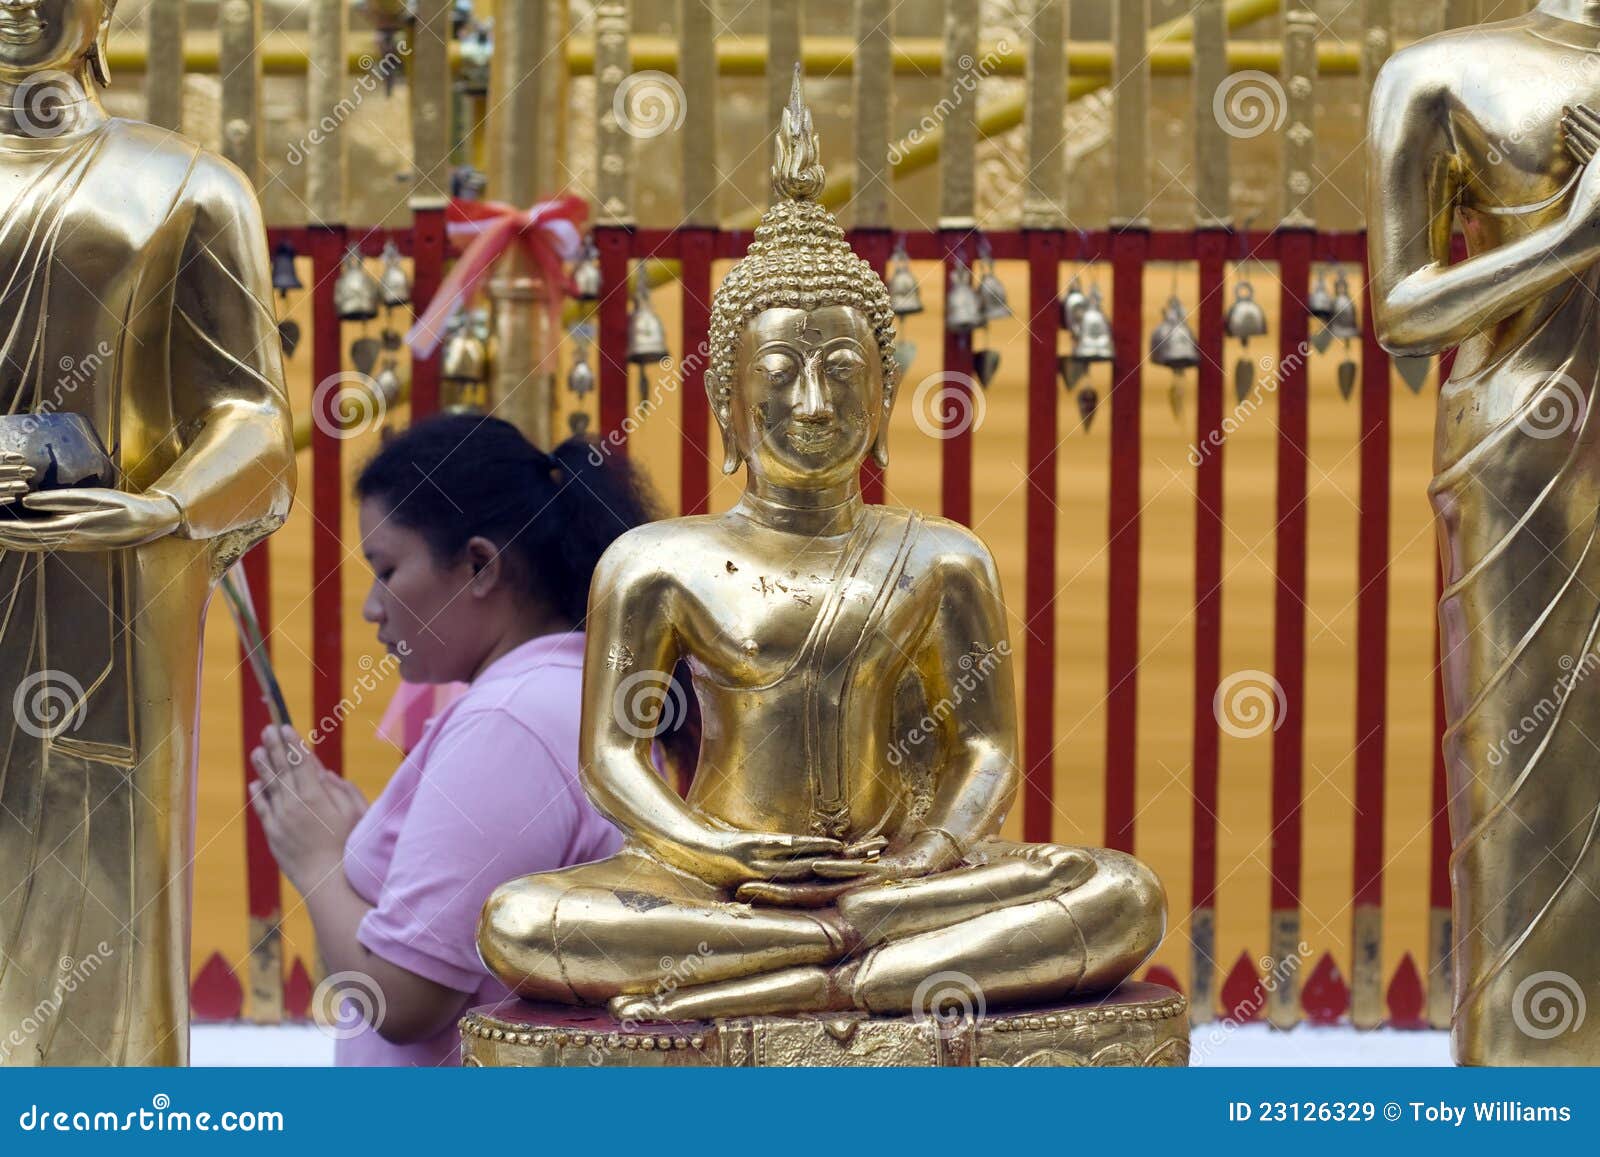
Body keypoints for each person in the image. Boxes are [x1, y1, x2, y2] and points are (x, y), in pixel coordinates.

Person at [248, 414, 659, 1066]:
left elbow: (405, 1001)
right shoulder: (573, 686)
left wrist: (316, 859)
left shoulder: (511, 721)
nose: (372, 607)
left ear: (478, 565)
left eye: (386, 569)